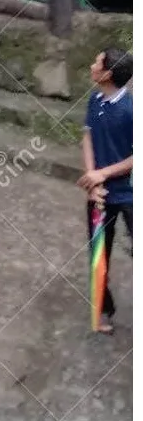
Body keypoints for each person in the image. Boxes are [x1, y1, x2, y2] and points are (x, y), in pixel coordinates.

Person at [79, 48, 133, 334]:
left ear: (108, 74)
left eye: (96, 62)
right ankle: (104, 309)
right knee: (98, 254)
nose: (91, 65)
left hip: (130, 195)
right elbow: (87, 136)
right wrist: (92, 179)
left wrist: (103, 173)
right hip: (100, 195)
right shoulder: (94, 100)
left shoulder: (131, 110)